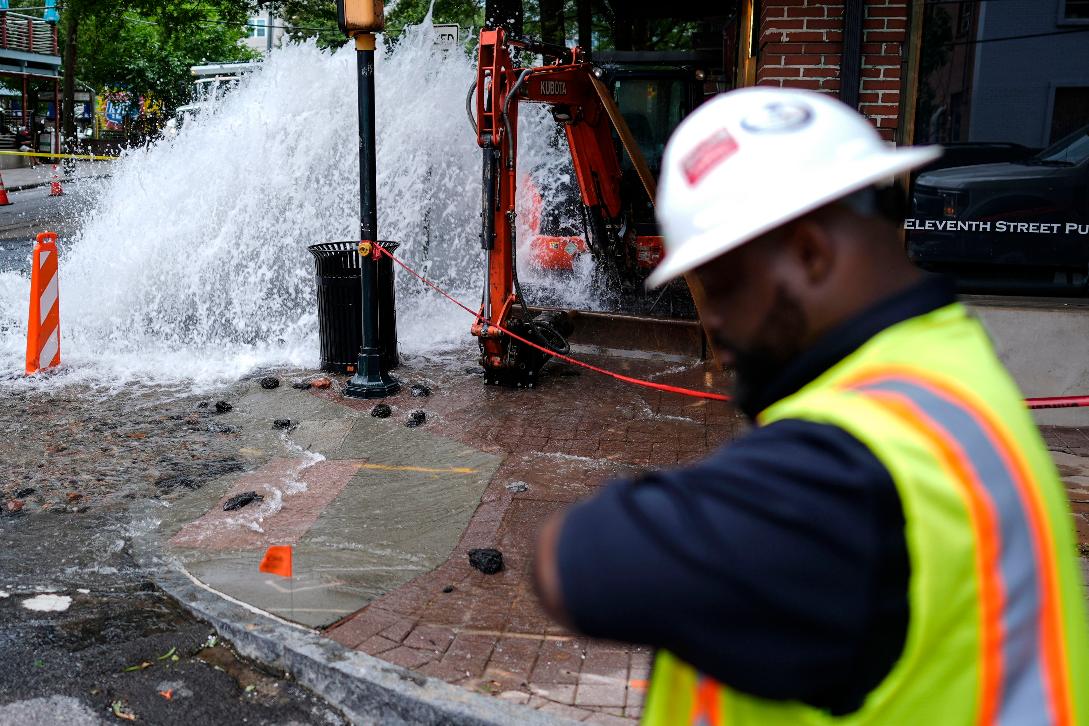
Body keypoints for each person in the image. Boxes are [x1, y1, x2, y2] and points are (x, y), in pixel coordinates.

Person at [533, 87, 1089, 724]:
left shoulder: (853, 468)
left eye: (717, 284)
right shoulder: (948, 370)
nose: (711, 318)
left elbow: (581, 562)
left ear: (809, 254)